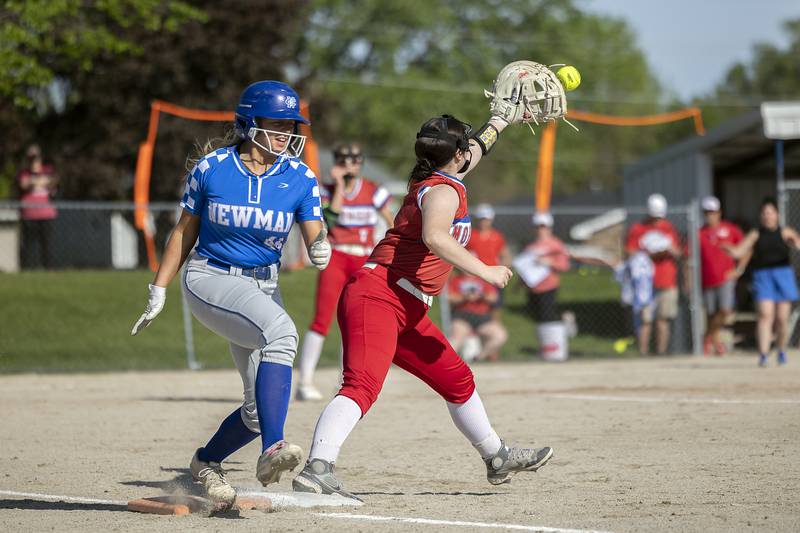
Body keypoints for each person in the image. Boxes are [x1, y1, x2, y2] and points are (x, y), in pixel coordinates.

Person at [292, 113, 552, 499]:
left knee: (457, 378)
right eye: (465, 146)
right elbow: (435, 237)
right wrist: (485, 271)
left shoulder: (438, 178)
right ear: (457, 155)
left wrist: (500, 119)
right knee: (362, 385)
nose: (470, 151)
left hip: (405, 304)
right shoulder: (444, 191)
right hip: (378, 295)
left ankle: (496, 457)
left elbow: (475, 149)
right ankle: (318, 467)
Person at [129, 81, 332, 506]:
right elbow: (184, 232)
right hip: (210, 277)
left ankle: (204, 463)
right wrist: (158, 288)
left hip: (263, 285)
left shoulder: (300, 176)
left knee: (258, 410)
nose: (288, 132)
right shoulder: (213, 167)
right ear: (249, 123)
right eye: (278, 123)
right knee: (282, 334)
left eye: (291, 124)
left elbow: (314, 226)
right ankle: (273, 450)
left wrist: (319, 244)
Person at [296, 143, 394, 401]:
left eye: (355, 159)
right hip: (336, 256)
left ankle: (346, 381)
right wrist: (339, 185)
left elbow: (390, 221)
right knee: (322, 319)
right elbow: (330, 219)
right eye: (344, 159)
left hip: (363, 258)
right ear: (337, 162)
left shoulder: (374, 190)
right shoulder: (326, 190)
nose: (351, 163)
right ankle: (305, 381)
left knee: (353, 321)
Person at [724, 197, 799, 367]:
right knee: (765, 316)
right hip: (763, 276)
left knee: (782, 318)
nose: (767, 216)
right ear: (760, 216)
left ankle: (781, 350)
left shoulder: (785, 232)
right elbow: (739, 251)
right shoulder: (755, 233)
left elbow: (797, 243)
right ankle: (763, 354)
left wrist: (795, 242)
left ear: (777, 215)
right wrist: (730, 250)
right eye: (764, 213)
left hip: (783, 275)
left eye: (770, 213)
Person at [625, 193, 681, 355]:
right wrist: (651, 254)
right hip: (645, 283)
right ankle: (643, 353)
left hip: (667, 280)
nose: (657, 221)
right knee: (645, 321)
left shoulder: (669, 228)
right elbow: (630, 252)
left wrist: (668, 250)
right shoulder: (638, 228)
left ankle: (661, 353)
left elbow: (678, 252)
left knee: (663, 320)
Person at [697, 196, 745, 356]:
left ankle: (707, 338)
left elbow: (746, 248)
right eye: (707, 212)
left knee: (725, 310)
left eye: (713, 211)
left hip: (726, 278)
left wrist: (739, 269)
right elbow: (688, 257)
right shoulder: (699, 233)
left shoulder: (731, 229)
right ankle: (717, 345)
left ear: (719, 212)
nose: (710, 215)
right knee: (711, 314)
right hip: (706, 280)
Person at [520, 212, 570, 324]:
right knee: (536, 317)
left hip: (548, 287)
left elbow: (564, 265)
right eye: (538, 227)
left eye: (543, 227)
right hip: (533, 288)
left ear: (549, 227)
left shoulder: (556, 244)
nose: (540, 230)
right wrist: (520, 283)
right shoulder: (530, 247)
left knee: (548, 317)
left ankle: (557, 334)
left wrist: (549, 262)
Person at [447, 270, 508, 362]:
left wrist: (481, 295)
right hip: (462, 316)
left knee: (500, 336)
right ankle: (445, 361)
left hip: (482, 316)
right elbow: (449, 298)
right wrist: (465, 297)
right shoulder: (456, 280)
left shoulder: (483, 280)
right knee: (456, 338)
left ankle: (477, 358)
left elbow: (494, 297)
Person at [16, 144, 59, 268]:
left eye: (36, 157)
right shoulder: (23, 172)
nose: (34, 161)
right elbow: (24, 184)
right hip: (29, 215)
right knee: (27, 245)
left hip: (46, 214)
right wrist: (39, 181)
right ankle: (25, 269)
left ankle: (48, 269)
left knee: (47, 245)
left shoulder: (48, 169)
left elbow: (53, 182)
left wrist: (35, 181)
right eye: (31, 158)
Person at [466, 203, 511, 267]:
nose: (484, 222)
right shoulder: (469, 235)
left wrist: (503, 267)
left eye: (487, 219)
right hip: (473, 272)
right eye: (481, 219)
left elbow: (506, 257)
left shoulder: (497, 236)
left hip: (492, 272)